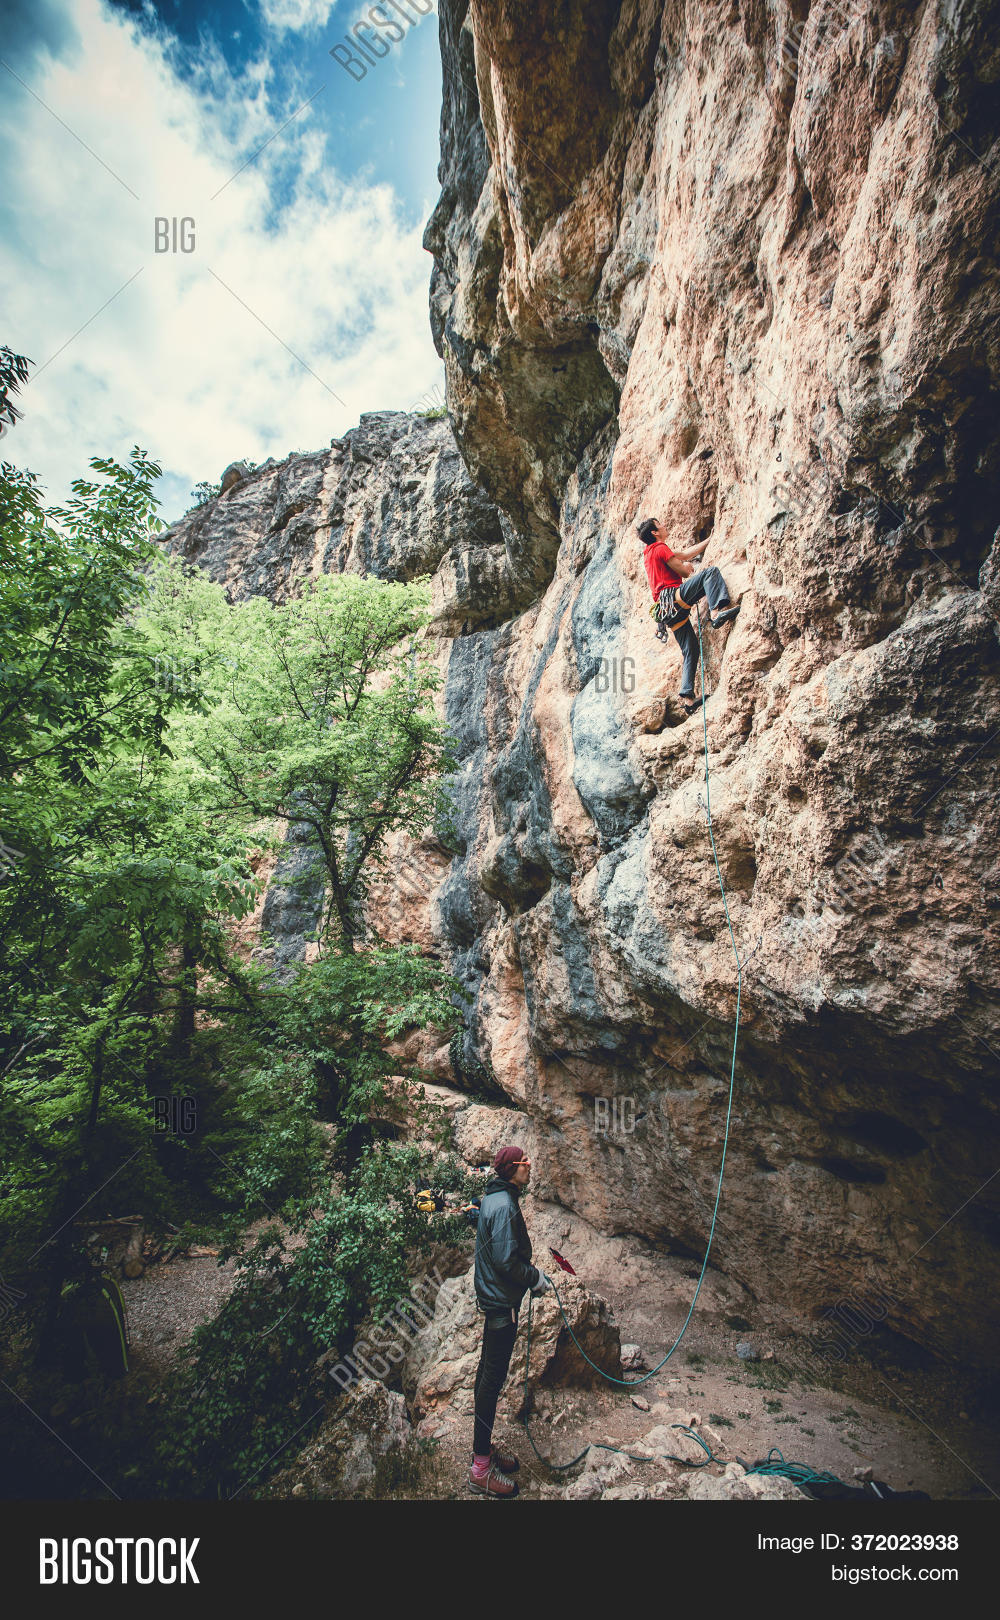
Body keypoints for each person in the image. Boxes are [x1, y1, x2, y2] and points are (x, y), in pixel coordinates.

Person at [468, 1144, 550, 1497]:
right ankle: (480, 1470)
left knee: (486, 1377)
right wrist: (535, 1278)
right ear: (511, 1170)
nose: (529, 1165)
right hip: (502, 1305)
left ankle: (483, 1451)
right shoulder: (503, 1205)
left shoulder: (496, 1197)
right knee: (491, 1382)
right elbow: (505, 1261)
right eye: (523, 1162)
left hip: (496, 1301)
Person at [637, 516, 740, 712]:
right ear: (655, 532)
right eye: (660, 524)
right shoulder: (660, 548)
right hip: (674, 599)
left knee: (690, 648)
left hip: (667, 611)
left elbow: (684, 554)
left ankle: (688, 699)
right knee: (710, 573)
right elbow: (684, 572)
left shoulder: (650, 552)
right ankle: (716, 612)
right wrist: (687, 568)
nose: (664, 525)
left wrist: (711, 539)